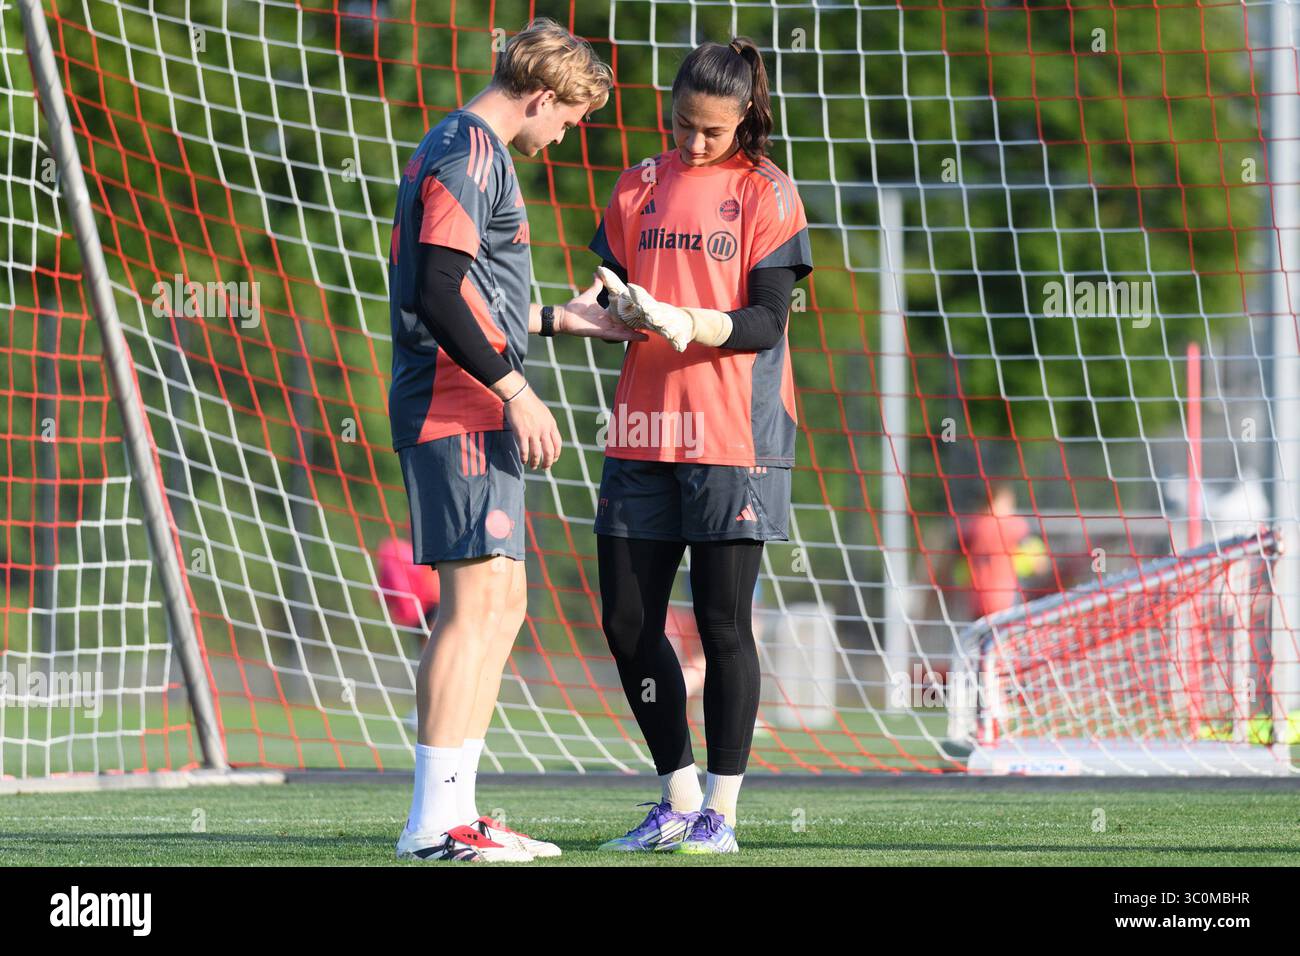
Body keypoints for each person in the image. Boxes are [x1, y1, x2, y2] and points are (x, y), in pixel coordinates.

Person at [387, 18, 640, 863]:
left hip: (471, 402)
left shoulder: (470, 150)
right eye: (567, 118)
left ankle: (456, 811)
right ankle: (433, 826)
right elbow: (436, 292)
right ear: (541, 95)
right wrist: (517, 390)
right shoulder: (469, 150)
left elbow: (475, 298)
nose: (565, 136)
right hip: (455, 408)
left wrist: (556, 320)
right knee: (474, 607)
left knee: (502, 604)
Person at [589, 37, 813, 854]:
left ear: (746, 118)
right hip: (644, 427)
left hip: (733, 434)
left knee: (722, 625)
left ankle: (723, 811)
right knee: (625, 619)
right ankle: (676, 798)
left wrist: (689, 322)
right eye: (683, 125)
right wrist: (589, 314)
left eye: (711, 132)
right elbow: (609, 293)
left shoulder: (768, 193)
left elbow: (766, 320)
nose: (692, 143)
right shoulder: (636, 185)